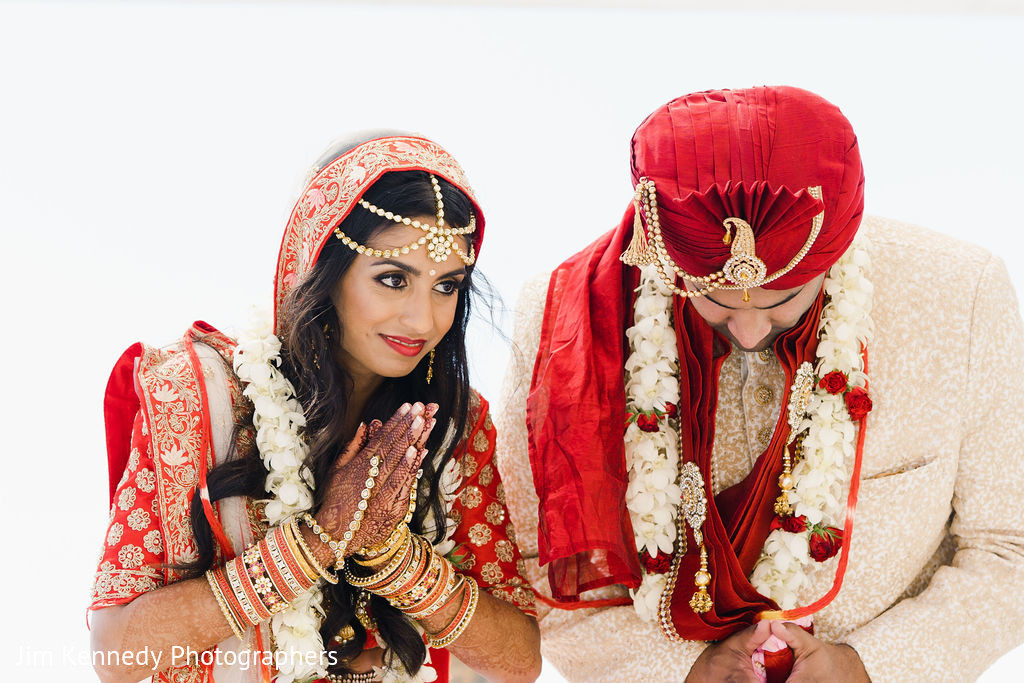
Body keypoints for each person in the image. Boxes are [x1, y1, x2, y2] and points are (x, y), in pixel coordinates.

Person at [496, 86, 1024, 682]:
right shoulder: (568, 320)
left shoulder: (959, 296)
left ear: (837, 250)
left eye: (783, 302)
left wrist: (869, 667)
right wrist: (680, 672)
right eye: (714, 301)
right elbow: (535, 562)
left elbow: (1010, 550)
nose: (747, 330)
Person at [89, 133, 542, 683]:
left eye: (447, 286)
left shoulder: (450, 424)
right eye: (393, 280)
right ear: (324, 271)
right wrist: (313, 543)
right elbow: (115, 654)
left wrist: (392, 557)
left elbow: (520, 661)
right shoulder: (198, 395)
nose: (424, 321)